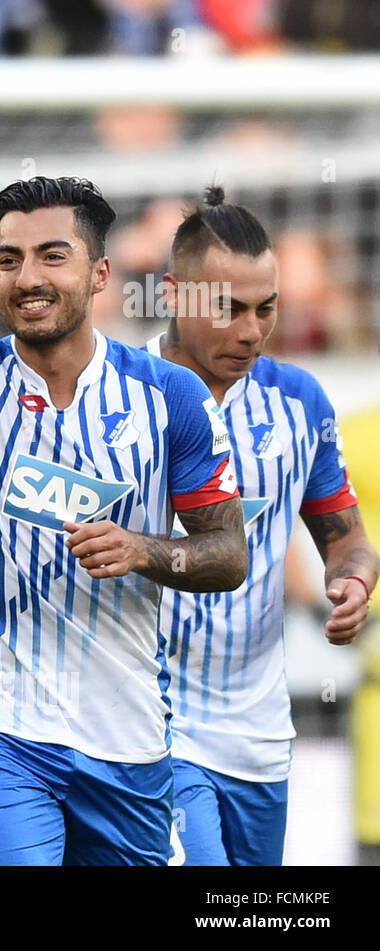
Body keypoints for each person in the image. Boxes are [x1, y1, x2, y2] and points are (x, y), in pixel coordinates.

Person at [0, 72, 249, 865]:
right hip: (0, 734)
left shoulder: (170, 396)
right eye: (9, 259)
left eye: (51, 256)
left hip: (129, 742)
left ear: (99, 276)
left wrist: (143, 550)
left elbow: (228, 553)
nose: (28, 277)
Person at [145, 187, 378, 865]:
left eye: (265, 309)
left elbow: (346, 538)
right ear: (174, 295)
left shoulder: (299, 402)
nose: (250, 331)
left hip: (258, 731)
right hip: (150, 724)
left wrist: (352, 582)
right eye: (228, 310)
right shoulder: (114, 389)